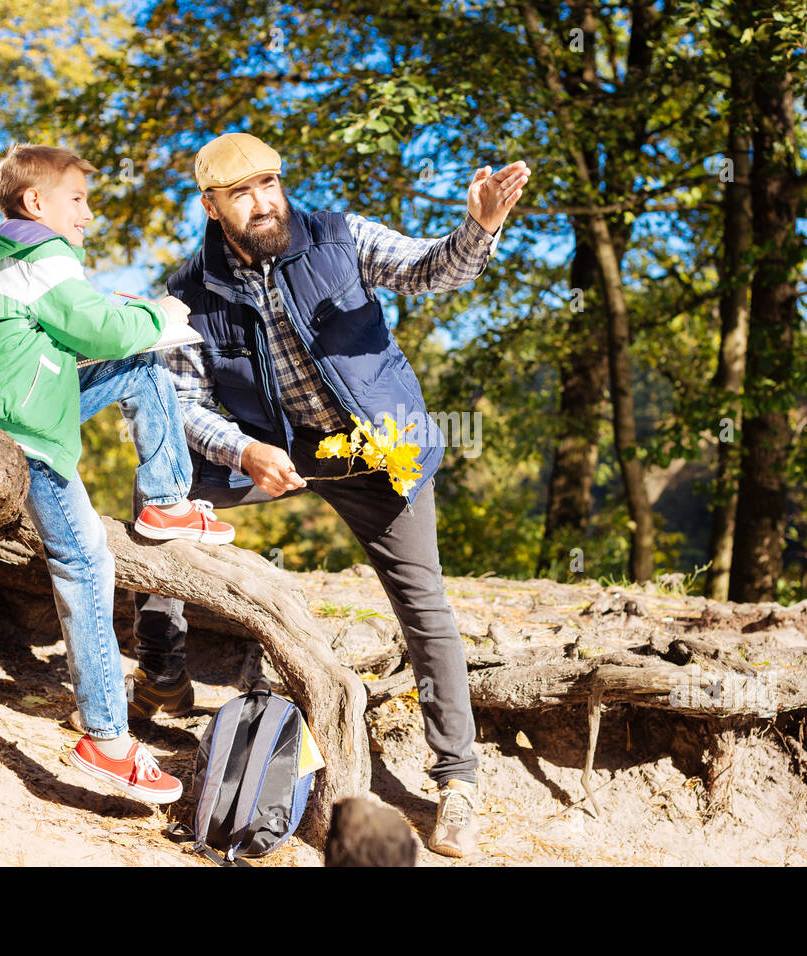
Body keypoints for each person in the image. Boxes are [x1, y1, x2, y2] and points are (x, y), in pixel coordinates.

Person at [130, 132, 530, 856]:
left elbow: (431, 269)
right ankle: (162, 674)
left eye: (270, 183)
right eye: (242, 192)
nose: (263, 202)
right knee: (163, 495)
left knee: (425, 606)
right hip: (272, 450)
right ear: (211, 206)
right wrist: (243, 450)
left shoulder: (341, 237)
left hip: (377, 449)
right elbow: (180, 402)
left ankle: (458, 781)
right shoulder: (188, 293)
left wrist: (480, 227)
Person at [0, 143, 236, 805]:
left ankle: (166, 500)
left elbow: (28, 338)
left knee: (142, 371)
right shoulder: (43, 252)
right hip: (14, 430)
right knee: (87, 559)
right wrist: (159, 315)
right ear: (37, 204)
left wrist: (121, 322)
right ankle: (107, 738)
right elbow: (95, 331)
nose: (88, 215)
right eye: (78, 200)